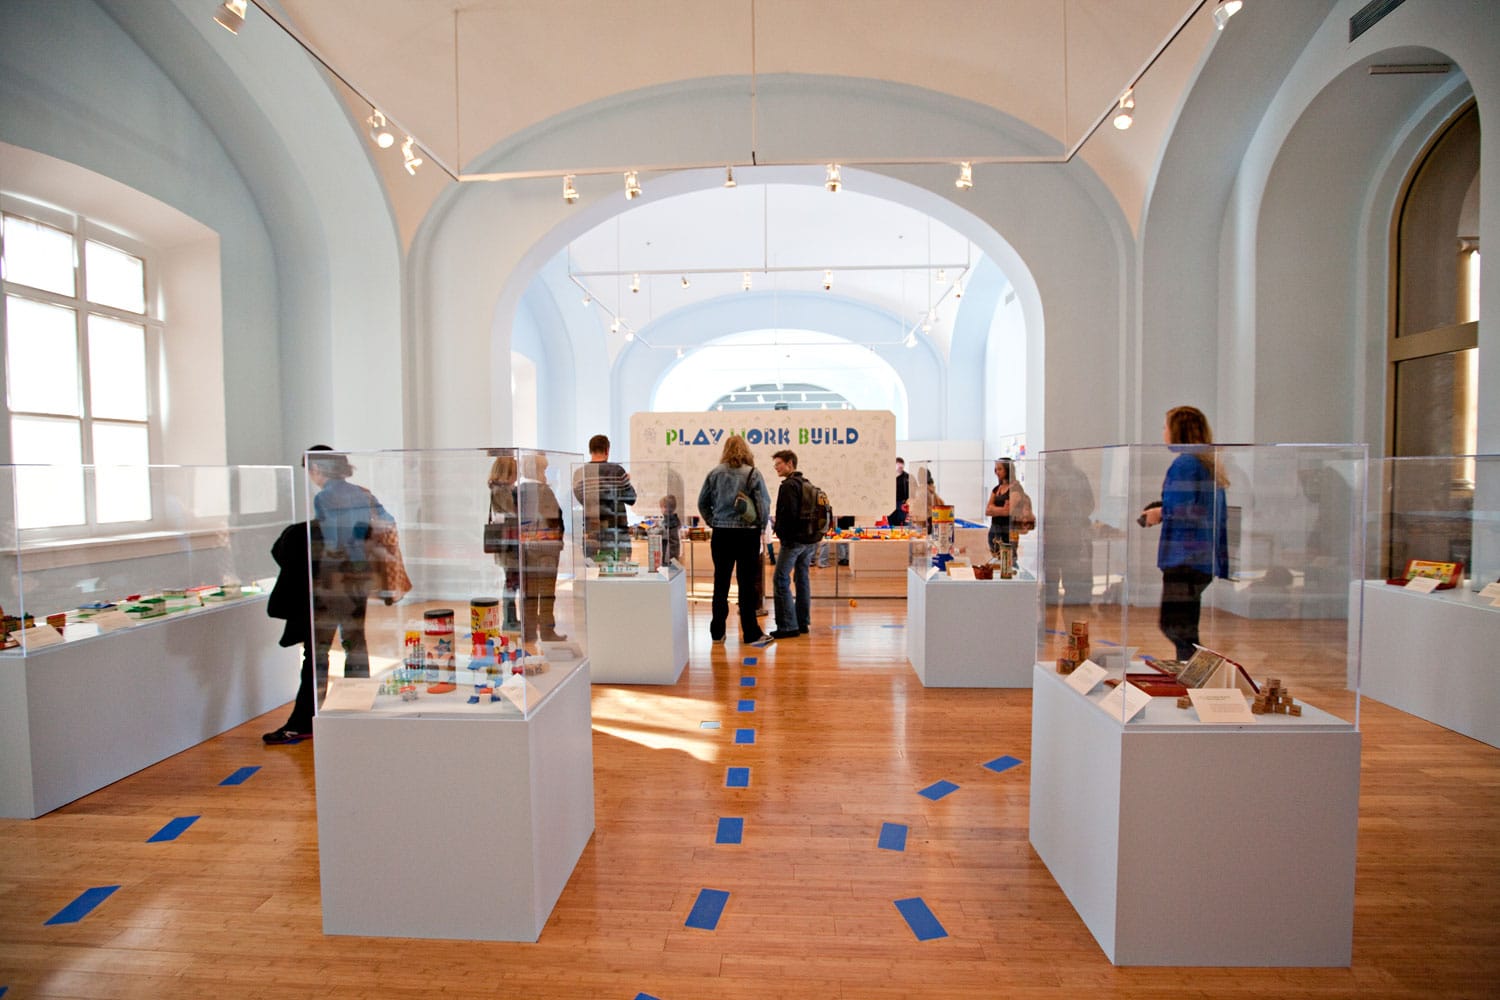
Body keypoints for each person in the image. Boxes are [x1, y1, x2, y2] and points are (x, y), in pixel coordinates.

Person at [1140, 405, 1230, 660]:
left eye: (1165, 427)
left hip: (1185, 558)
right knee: (1182, 627)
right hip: (1201, 559)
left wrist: (1160, 513)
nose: (1163, 432)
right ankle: (1193, 677)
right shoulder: (1205, 463)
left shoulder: (1186, 464)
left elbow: (1186, 511)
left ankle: (1198, 677)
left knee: (1176, 627)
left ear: (1176, 431)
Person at [307, 446, 391, 679]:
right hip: (360, 570)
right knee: (355, 638)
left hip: (334, 573)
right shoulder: (361, 492)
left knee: (321, 643)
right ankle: (358, 695)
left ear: (316, 468)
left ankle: (319, 699)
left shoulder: (324, 497)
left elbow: (333, 540)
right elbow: (387, 520)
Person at [697, 434, 773, 647]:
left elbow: (702, 503)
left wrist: (714, 521)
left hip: (721, 534)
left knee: (720, 583)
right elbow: (763, 505)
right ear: (746, 450)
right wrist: (759, 525)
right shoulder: (753, 474)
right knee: (746, 584)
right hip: (746, 534)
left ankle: (717, 632)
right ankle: (750, 633)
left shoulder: (714, 473)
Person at [262, 519, 321, 745]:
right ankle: (305, 721)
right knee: (323, 655)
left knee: (317, 657)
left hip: (323, 598)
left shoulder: (302, 532)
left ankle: (304, 721)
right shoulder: (302, 532)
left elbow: (279, 553)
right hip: (328, 598)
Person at [518, 452, 567, 647]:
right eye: (544, 469)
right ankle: (547, 630)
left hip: (527, 547)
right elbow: (554, 518)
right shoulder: (544, 491)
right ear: (538, 470)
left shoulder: (520, 491)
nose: (545, 473)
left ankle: (529, 631)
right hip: (547, 547)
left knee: (529, 592)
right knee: (546, 591)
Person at [768, 449, 816, 640]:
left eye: (779, 464)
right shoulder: (807, 483)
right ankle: (802, 622)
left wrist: (781, 533)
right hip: (809, 540)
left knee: (780, 579)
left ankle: (788, 626)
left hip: (794, 541)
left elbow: (787, 514)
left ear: (790, 463)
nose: (776, 468)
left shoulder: (788, 485)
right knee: (802, 578)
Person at [571, 434, 636, 561]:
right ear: (607, 450)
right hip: (616, 533)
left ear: (590, 451)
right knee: (616, 573)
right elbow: (631, 499)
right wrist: (626, 481)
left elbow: (581, 500)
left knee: (592, 573)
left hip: (591, 532)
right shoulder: (617, 471)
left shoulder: (579, 474)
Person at [487, 453, 522, 630]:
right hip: (509, 544)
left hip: (508, 543)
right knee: (511, 582)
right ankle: (509, 621)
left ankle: (511, 619)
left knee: (511, 582)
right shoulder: (502, 491)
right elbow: (512, 515)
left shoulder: (498, 489)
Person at [985, 457, 1018, 560]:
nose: (997, 472)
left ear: (1007, 470)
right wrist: (1001, 509)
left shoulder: (1015, 488)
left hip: (1007, 530)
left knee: (1008, 561)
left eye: (1000, 469)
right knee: (996, 560)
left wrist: (994, 509)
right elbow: (987, 510)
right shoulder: (996, 489)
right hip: (994, 530)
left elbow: (1009, 511)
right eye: (996, 469)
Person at [889, 457, 911, 526]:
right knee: (890, 522)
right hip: (890, 503)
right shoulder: (889, 476)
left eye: (901, 466)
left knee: (901, 523)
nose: (900, 467)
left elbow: (912, 491)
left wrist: (908, 502)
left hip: (902, 503)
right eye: (898, 465)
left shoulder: (907, 477)